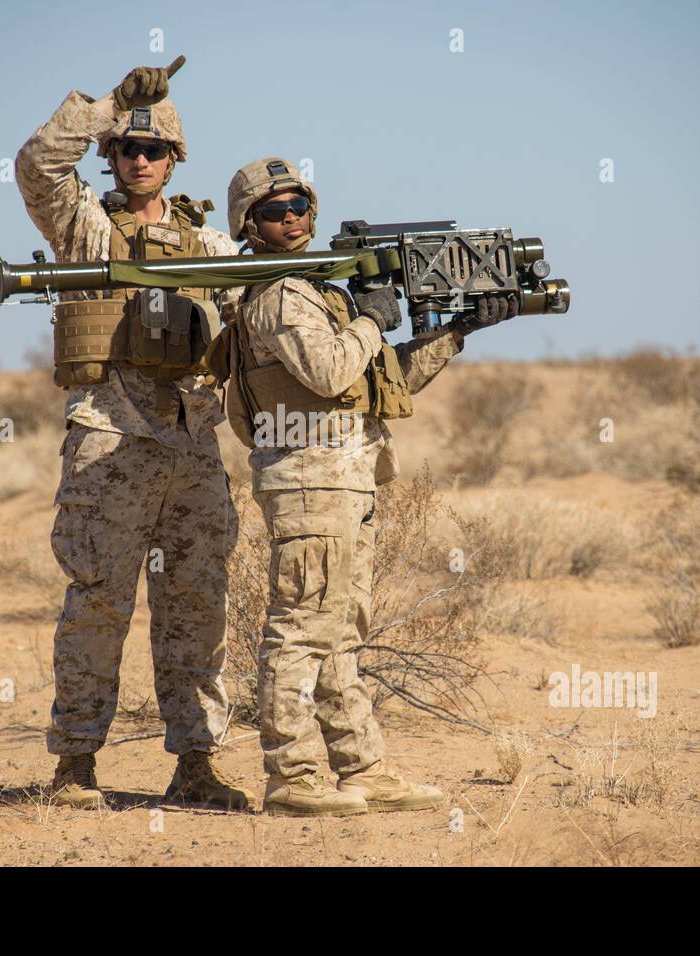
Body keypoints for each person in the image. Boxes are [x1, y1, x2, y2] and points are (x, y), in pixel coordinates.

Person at [217, 157, 521, 816]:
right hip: (308, 482)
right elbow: (329, 372)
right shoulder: (280, 295)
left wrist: (457, 332)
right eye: (274, 211)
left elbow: (382, 384)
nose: (291, 218)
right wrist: (372, 320)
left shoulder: (323, 292)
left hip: (348, 480)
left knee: (341, 634)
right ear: (249, 224)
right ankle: (292, 775)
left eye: (299, 205)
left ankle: (362, 768)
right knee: (301, 631)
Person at [13, 60, 248, 811]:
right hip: (109, 445)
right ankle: (75, 765)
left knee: (197, 608)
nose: (139, 161)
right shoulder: (83, 227)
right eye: (125, 149)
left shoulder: (210, 248)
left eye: (154, 151)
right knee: (97, 604)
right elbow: (36, 164)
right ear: (108, 157)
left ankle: (197, 766)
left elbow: (253, 318)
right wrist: (112, 103)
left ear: (176, 161)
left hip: (194, 448)